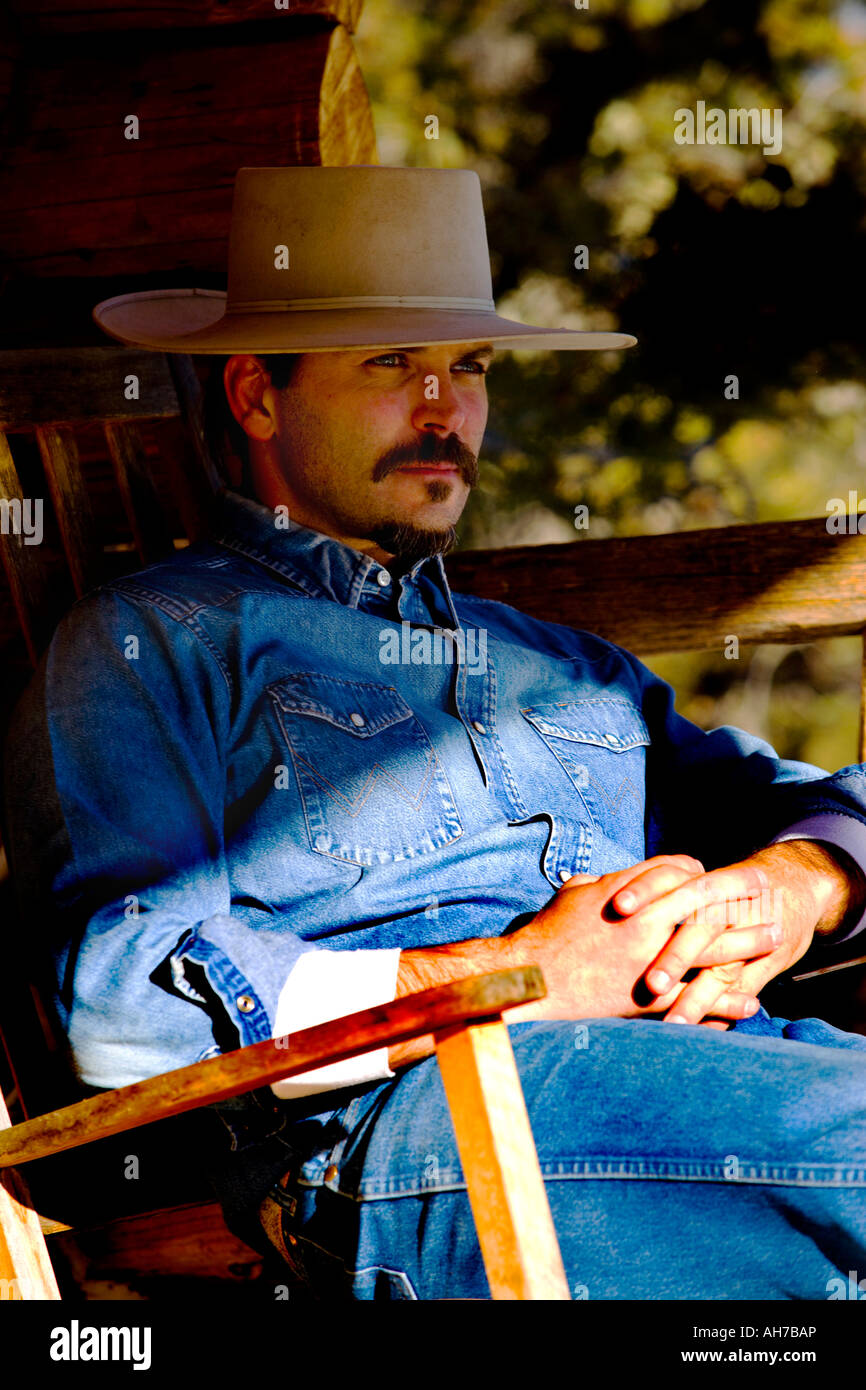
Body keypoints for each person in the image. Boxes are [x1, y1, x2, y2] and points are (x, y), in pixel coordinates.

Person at [6, 166, 866, 1301]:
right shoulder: (148, 641)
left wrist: (795, 886)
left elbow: (805, 804)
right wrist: (513, 977)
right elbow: (113, 999)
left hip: (723, 1072)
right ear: (257, 395)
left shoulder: (561, 664)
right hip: (416, 1132)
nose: (441, 408)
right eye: (390, 364)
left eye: (466, 369)